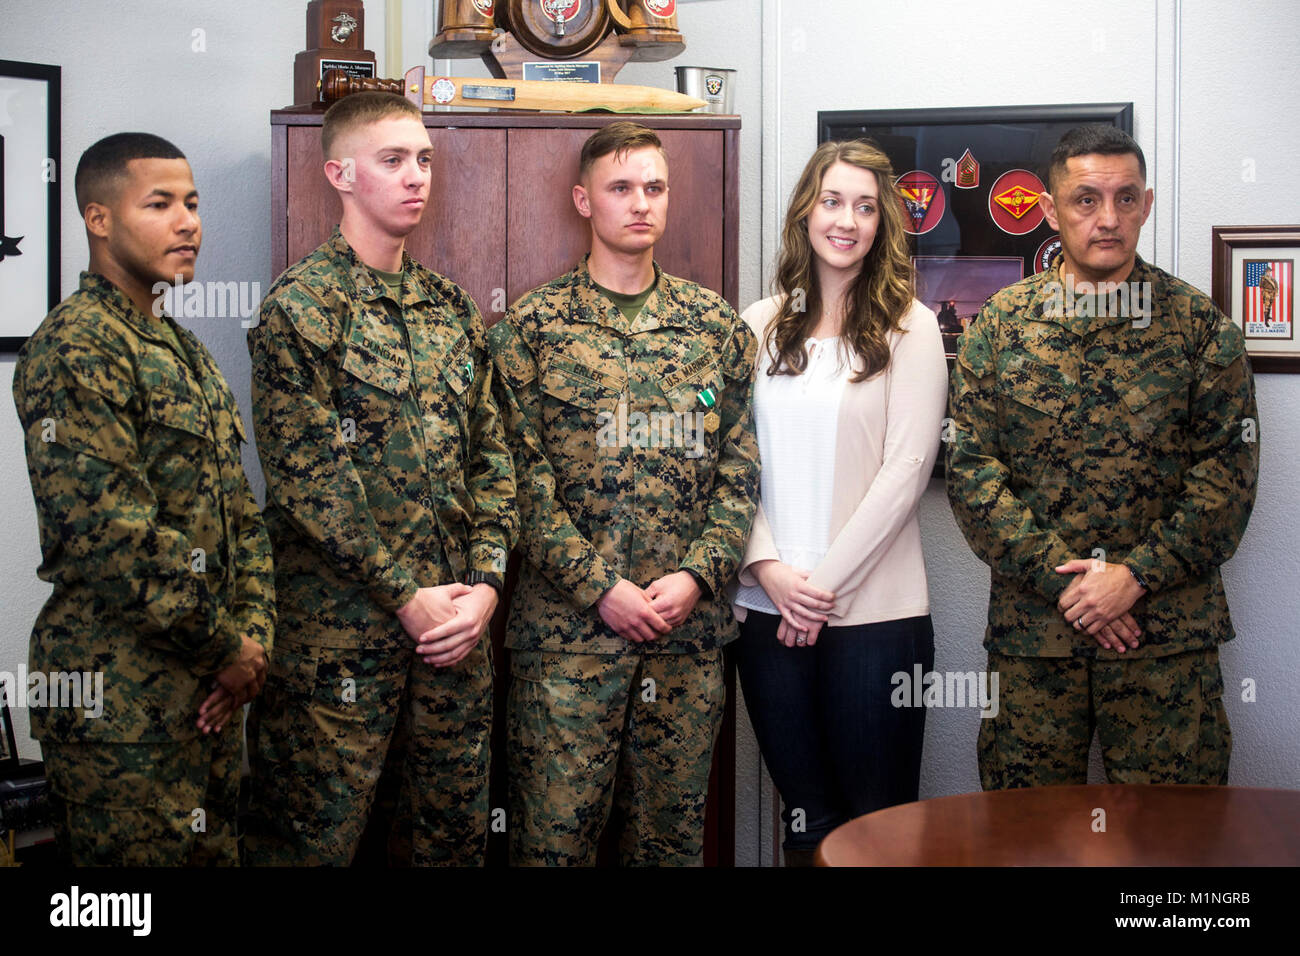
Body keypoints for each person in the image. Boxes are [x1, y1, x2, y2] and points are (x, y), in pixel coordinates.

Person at [244, 91, 517, 866]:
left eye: (424, 159)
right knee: (313, 844)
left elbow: (493, 456)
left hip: (456, 638)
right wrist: (403, 594)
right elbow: (309, 481)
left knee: (449, 842)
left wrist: (489, 584)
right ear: (340, 173)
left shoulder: (451, 310)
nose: (416, 177)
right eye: (393, 160)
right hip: (340, 646)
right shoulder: (302, 309)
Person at [946, 124, 1259, 789]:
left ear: (1146, 203)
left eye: (1124, 199)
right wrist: (1071, 586)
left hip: (1166, 638)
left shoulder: (1199, 327)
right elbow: (972, 475)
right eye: (1085, 200)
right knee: (1025, 841)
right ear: (1051, 210)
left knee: (1175, 844)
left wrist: (1134, 576)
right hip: (1037, 640)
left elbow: (1226, 482)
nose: (1107, 218)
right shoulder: (1000, 327)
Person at [488, 121, 760, 866]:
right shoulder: (532, 330)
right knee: (552, 846)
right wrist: (599, 586)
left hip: (685, 640)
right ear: (584, 199)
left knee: (669, 847)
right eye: (621, 188)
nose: (640, 203)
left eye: (654, 187)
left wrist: (698, 574)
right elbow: (516, 480)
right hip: (567, 645)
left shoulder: (716, 329)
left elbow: (739, 468)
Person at [12, 132, 275, 865]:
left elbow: (242, 521)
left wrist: (250, 650)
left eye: (192, 203)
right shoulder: (78, 348)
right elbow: (114, 539)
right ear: (99, 220)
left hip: (209, 697)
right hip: (121, 709)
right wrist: (228, 649)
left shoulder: (181, 349)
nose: (188, 221)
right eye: (159, 204)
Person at [730, 140, 948, 866]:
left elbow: (907, 469)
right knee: (806, 823)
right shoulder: (758, 322)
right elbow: (733, 461)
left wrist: (816, 589)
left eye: (865, 206)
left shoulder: (912, 327)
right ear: (806, 210)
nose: (847, 220)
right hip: (767, 615)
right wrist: (768, 570)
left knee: (877, 833)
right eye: (832, 201)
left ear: (884, 223)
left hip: (873, 621)